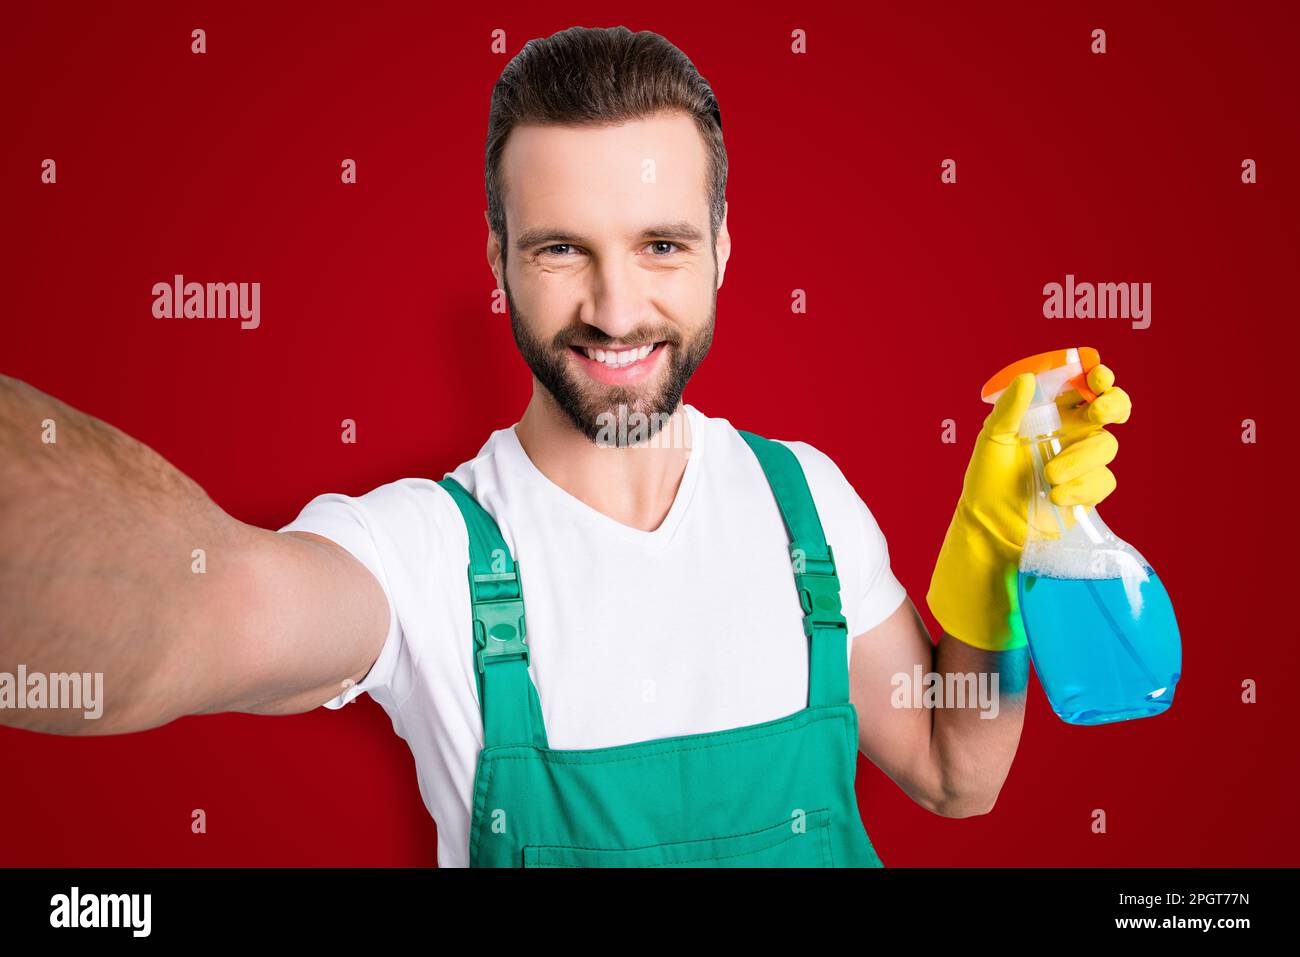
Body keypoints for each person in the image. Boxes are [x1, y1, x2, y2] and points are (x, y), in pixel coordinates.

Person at [0, 26, 1130, 867]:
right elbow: (200, 604)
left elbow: (954, 771)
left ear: (724, 250)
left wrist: (995, 559)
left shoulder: (808, 507)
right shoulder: (427, 556)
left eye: (660, 245)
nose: (617, 306)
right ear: (494, 266)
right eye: (559, 251)